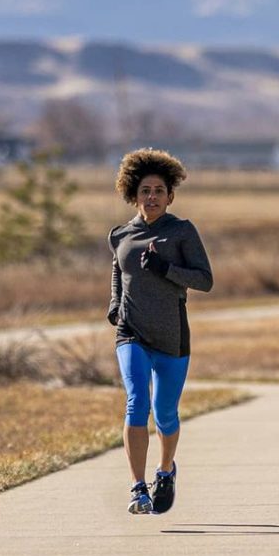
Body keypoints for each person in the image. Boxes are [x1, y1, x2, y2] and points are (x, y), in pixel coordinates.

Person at [107, 148, 214, 515]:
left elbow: (205, 280)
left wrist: (165, 267)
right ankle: (138, 487)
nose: (151, 197)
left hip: (171, 336)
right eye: (145, 190)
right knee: (136, 403)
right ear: (133, 195)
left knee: (164, 412)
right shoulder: (121, 234)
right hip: (131, 332)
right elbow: (119, 270)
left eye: (158, 191)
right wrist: (114, 305)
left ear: (170, 196)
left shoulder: (182, 232)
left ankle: (165, 470)